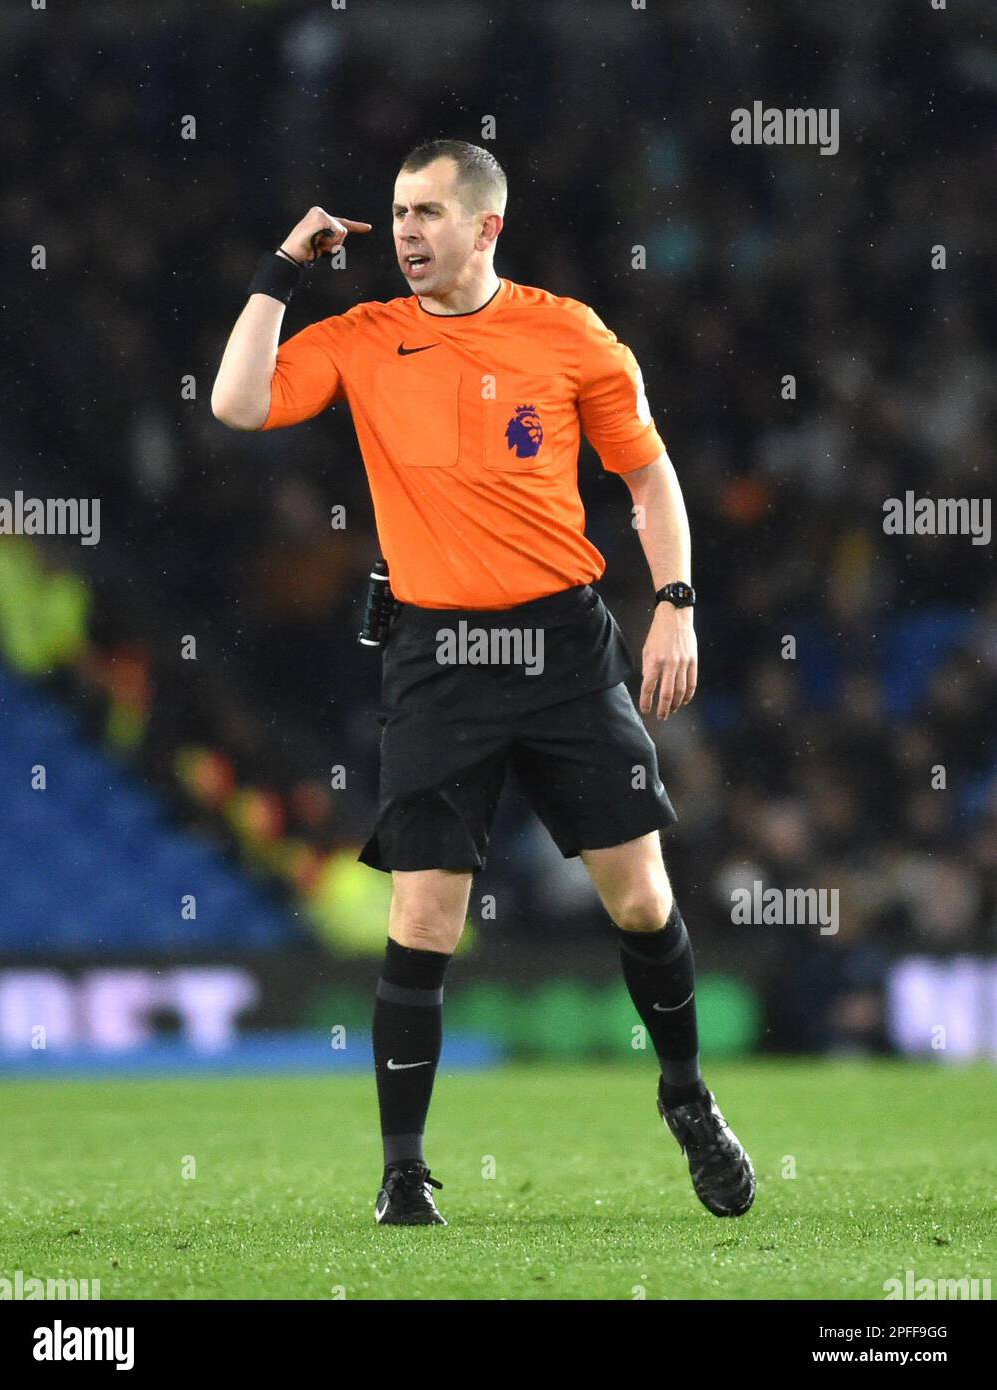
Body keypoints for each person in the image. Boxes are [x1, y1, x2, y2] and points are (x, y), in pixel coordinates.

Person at [212, 139, 755, 1225]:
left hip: (562, 649)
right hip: (436, 659)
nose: (406, 232)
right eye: (398, 213)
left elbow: (647, 475)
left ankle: (687, 1097)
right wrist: (282, 264)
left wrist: (676, 601)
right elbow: (237, 402)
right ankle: (403, 1170)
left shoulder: (569, 335)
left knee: (642, 897)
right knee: (422, 916)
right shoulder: (367, 337)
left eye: (427, 213)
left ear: (486, 227)